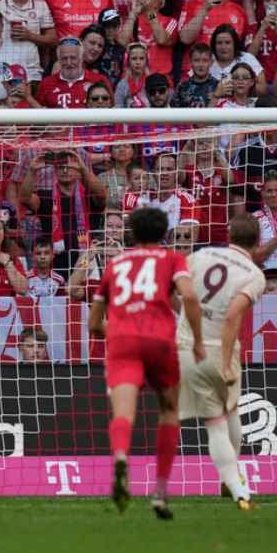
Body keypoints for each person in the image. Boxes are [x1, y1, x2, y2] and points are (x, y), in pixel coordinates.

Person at [88, 206, 205, 519]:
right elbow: (191, 298)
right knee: (168, 410)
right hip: (160, 340)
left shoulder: (115, 263)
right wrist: (196, 341)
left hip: (122, 340)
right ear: (164, 234)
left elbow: (93, 324)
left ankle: (122, 457)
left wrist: (117, 331)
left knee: (124, 412)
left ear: (132, 234)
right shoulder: (172, 259)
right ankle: (160, 492)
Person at [176, 213, 265, 511]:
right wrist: (226, 363)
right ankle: (236, 485)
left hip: (187, 345)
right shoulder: (254, 275)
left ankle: (232, 480)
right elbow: (231, 316)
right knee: (226, 414)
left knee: (218, 419)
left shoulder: (200, 255)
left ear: (229, 234)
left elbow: (178, 292)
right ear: (258, 240)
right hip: (217, 349)